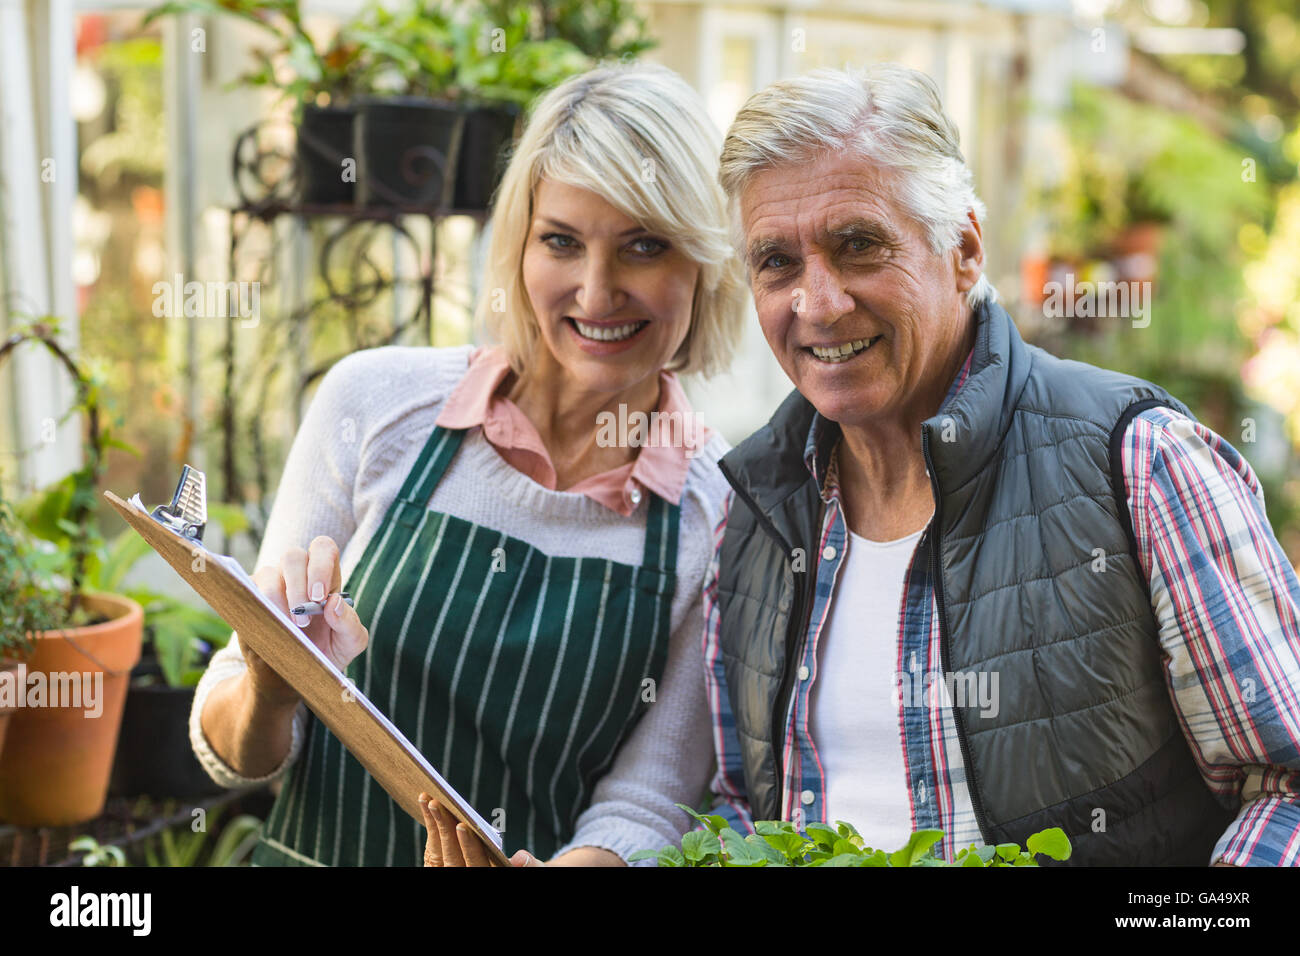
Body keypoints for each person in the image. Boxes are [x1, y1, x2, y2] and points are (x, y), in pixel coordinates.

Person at [702, 63, 1300, 866]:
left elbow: (1285, 788)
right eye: (777, 262)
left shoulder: (1141, 461)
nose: (819, 303)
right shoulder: (754, 509)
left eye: (858, 245)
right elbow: (743, 811)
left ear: (964, 250)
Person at [188, 61, 746, 867]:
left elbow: (650, 800)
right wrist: (271, 687)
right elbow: (239, 747)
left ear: (702, 262)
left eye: (644, 247)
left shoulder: (722, 515)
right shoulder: (374, 407)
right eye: (561, 241)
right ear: (519, 247)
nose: (596, 291)